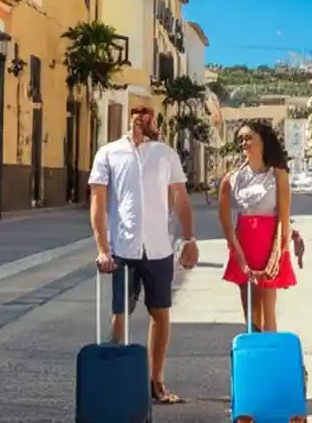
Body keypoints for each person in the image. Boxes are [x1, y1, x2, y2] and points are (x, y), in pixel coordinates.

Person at [90, 105, 199, 405]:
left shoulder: (166, 154)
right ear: (131, 120)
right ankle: (116, 380)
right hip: (123, 248)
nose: (145, 121)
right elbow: (98, 204)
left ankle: (156, 381)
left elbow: (181, 199)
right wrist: (102, 248)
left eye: (148, 116)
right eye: (139, 116)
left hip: (159, 248)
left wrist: (189, 238)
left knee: (160, 313)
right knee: (119, 314)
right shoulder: (109, 153)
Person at [219, 120, 298, 332]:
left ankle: (272, 356)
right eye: (242, 138)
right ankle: (255, 357)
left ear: (262, 141)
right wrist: (235, 249)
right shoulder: (233, 178)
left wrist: (277, 253)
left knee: (268, 307)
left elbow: (283, 217)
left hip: (269, 241)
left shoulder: (278, 175)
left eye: (249, 137)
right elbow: (225, 218)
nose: (244, 142)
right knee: (250, 311)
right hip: (244, 242)